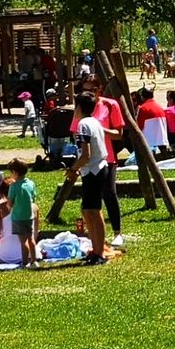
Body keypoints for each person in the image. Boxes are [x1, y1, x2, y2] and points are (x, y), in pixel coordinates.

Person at [67, 92, 110, 265]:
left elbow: (86, 155)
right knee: (87, 210)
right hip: (94, 170)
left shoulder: (83, 124)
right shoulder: (94, 122)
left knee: (94, 211)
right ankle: (95, 249)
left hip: (94, 170)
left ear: (79, 107)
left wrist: (73, 168)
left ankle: (99, 253)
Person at [7, 157, 38, 268]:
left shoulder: (13, 186)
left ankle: (24, 262)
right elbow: (34, 198)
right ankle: (34, 261)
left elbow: (10, 202)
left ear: (15, 172)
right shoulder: (31, 183)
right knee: (31, 239)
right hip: (29, 216)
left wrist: (9, 207)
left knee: (23, 241)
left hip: (18, 218)